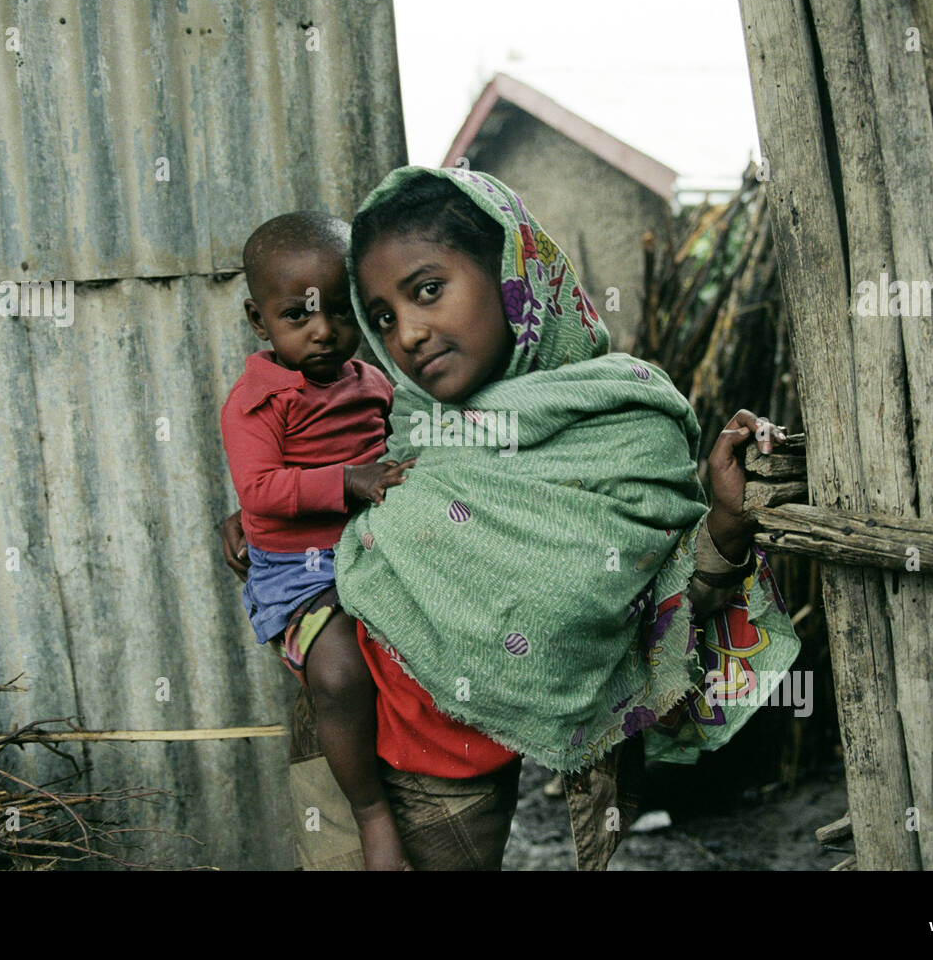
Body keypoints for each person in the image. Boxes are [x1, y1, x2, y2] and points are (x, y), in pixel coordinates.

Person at [223, 170, 799, 868]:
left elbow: (658, 606)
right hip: (336, 737)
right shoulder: (408, 421)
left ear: (509, 270)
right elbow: (330, 502)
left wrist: (727, 528)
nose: (405, 333)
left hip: (448, 779)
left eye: (428, 289)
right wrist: (260, 518)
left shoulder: (621, 428)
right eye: (380, 317)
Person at [218, 211, 418, 870]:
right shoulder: (255, 401)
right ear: (258, 320)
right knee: (338, 673)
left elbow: (406, 449)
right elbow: (261, 493)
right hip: (301, 572)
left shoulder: (373, 384)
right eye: (299, 316)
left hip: (375, 548)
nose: (325, 331)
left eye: (339, 311)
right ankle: (370, 810)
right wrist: (348, 480)